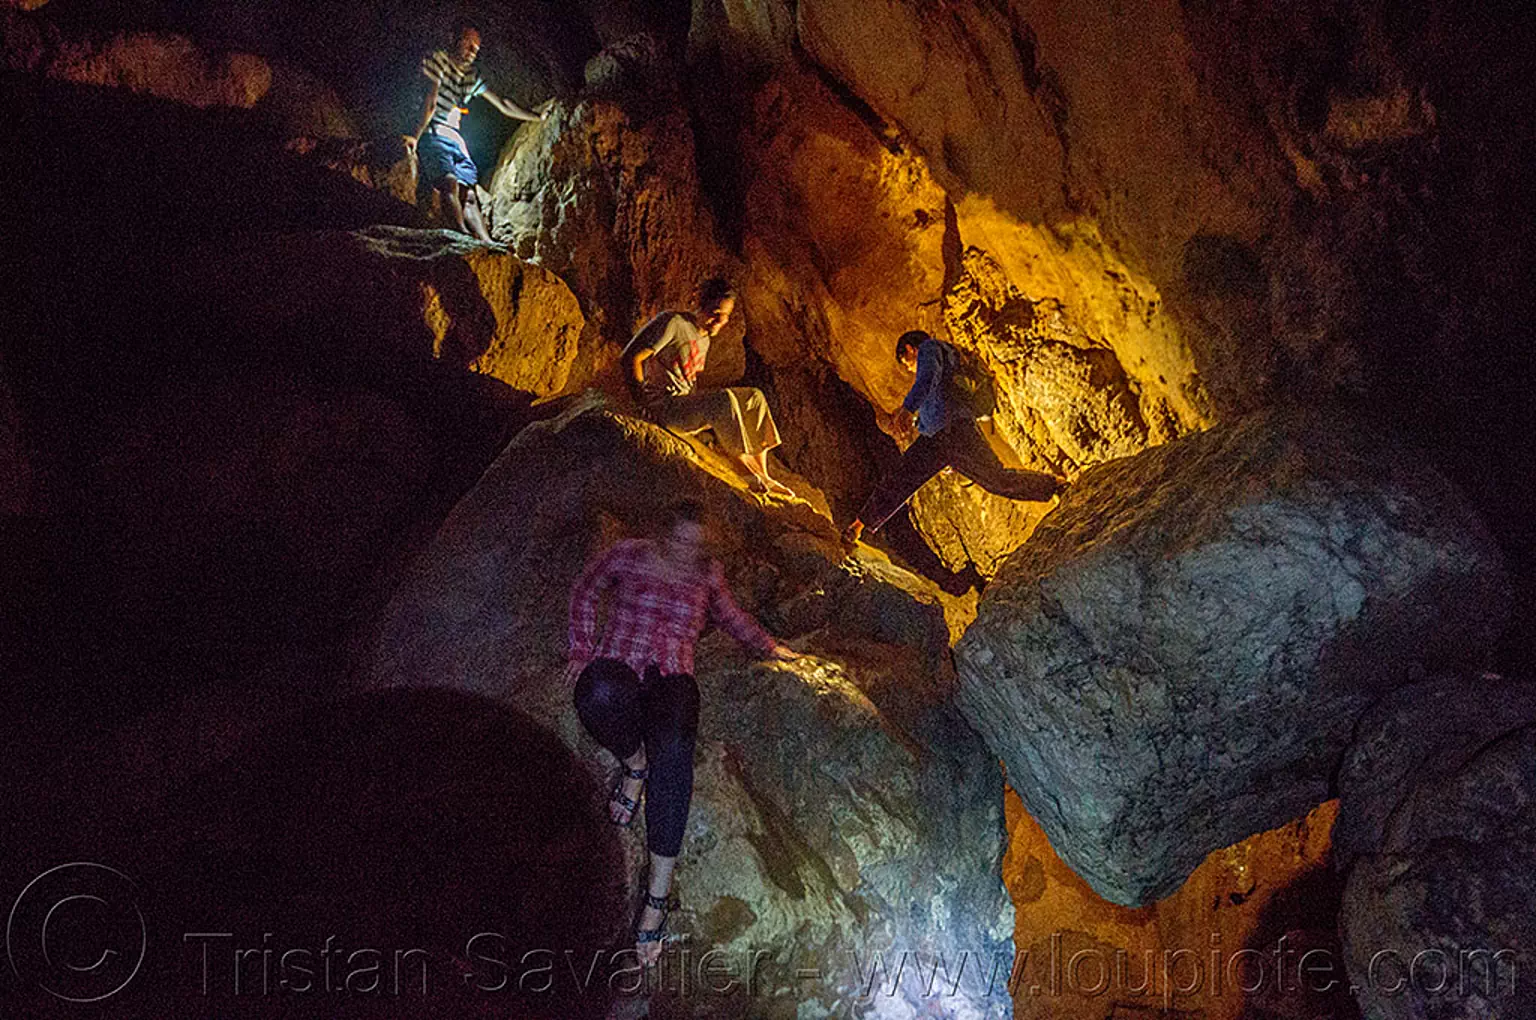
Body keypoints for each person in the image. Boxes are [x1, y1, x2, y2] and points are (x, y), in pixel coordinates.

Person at [566, 500, 800, 965]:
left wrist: (771, 647)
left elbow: (731, 617)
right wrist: (580, 648)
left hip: (673, 675)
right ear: (661, 533)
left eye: (693, 546)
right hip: (622, 665)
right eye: (677, 540)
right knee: (595, 695)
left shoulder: (707, 575)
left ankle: (657, 895)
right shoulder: (629, 554)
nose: (682, 552)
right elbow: (585, 589)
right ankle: (634, 766)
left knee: (674, 750)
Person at [842, 330, 1069, 546]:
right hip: (938, 438)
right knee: (901, 479)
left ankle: (1054, 485)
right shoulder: (941, 367)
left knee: (995, 479)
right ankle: (859, 525)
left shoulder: (930, 348)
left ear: (910, 350)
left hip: (955, 430)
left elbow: (928, 377)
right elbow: (932, 402)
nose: (912, 370)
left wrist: (907, 408)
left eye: (908, 365)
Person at [621, 278, 796, 498]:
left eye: (725, 316)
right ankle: (746, 472)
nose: (720, 321)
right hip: (664, 406)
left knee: (754, 396)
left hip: (682, 405)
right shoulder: (673, 323)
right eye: (715, 312)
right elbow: (631, 356)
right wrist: (642, 403)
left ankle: (764, 473)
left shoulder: (704, 338)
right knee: (722, 401)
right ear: (698, 303)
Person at [405, 25, 544, 241]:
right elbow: (429, 101)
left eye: (476, 49)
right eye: (468, 44)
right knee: (449, 183)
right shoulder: (437, 59)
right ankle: (460, 234)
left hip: (456, 138)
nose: (472, 52)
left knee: (469, 194)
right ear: (454, 40)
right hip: (435, 132)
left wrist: (537, 117)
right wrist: (415, 135)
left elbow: (503, 104)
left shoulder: (470, 76)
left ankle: (486, 241)